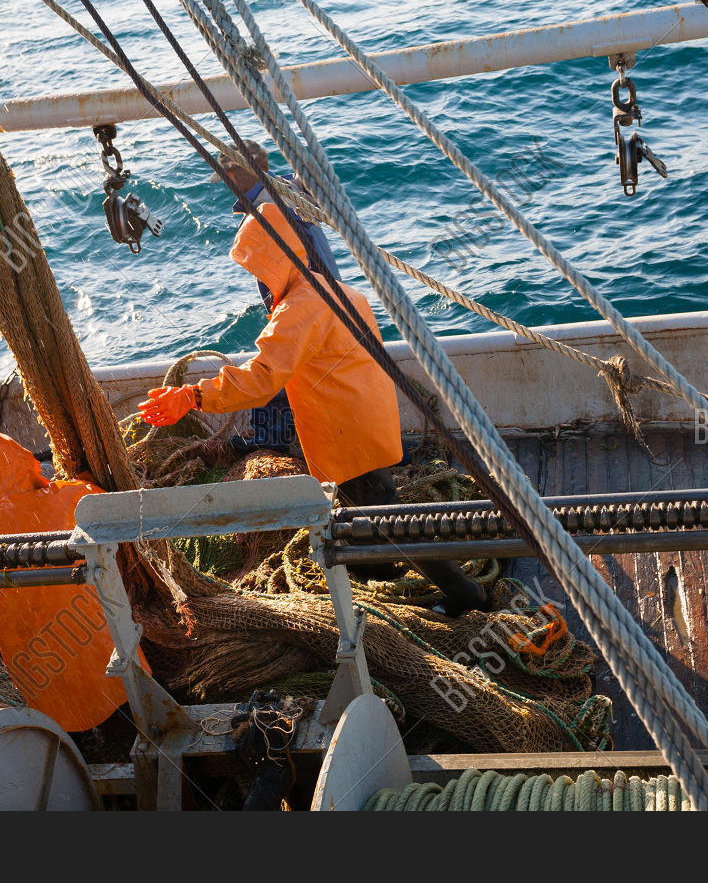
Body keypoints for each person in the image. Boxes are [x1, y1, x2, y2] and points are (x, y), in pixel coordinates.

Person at [139, 201, 488, 616]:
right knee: (368, 511)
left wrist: (192, 396)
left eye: (258, 269)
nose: (257, 279)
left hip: (349, 439)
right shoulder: (337, 290)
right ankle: (378, 572)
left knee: (392, 523)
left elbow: (261, 378)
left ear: (273, 262)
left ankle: (466, 597)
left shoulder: (298, 311)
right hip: (368, 424)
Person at [0, 422, 144, 755]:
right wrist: (84, 475)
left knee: (70, 748)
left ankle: (84, 772)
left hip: (45, 675)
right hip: (106, 654)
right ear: (25, 460)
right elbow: (111, 504)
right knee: (131, 728)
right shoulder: (75, 497)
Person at [214, 139, 338, 451]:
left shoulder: (266, 210)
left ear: (233, 175)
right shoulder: (286, 189)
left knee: (274, 369)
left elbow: (283, 273)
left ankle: (270, 444)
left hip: (308, 300)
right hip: (330, 295)